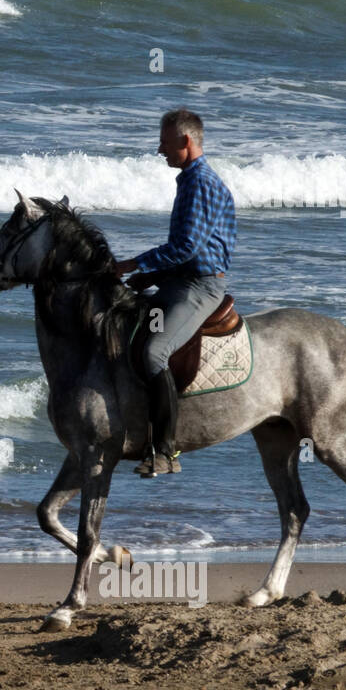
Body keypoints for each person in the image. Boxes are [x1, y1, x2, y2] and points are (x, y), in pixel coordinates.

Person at [113, 109, 236, 477]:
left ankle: (166, 452)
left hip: (200, 286)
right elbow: (183, 252)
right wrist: (146, 277)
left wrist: (132, 265)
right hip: (177, 280)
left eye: (165, 143)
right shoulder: (188, 180)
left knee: (154, 352)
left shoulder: (201, 184)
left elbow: (186, 248)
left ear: (186, 141)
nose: (159, 149)